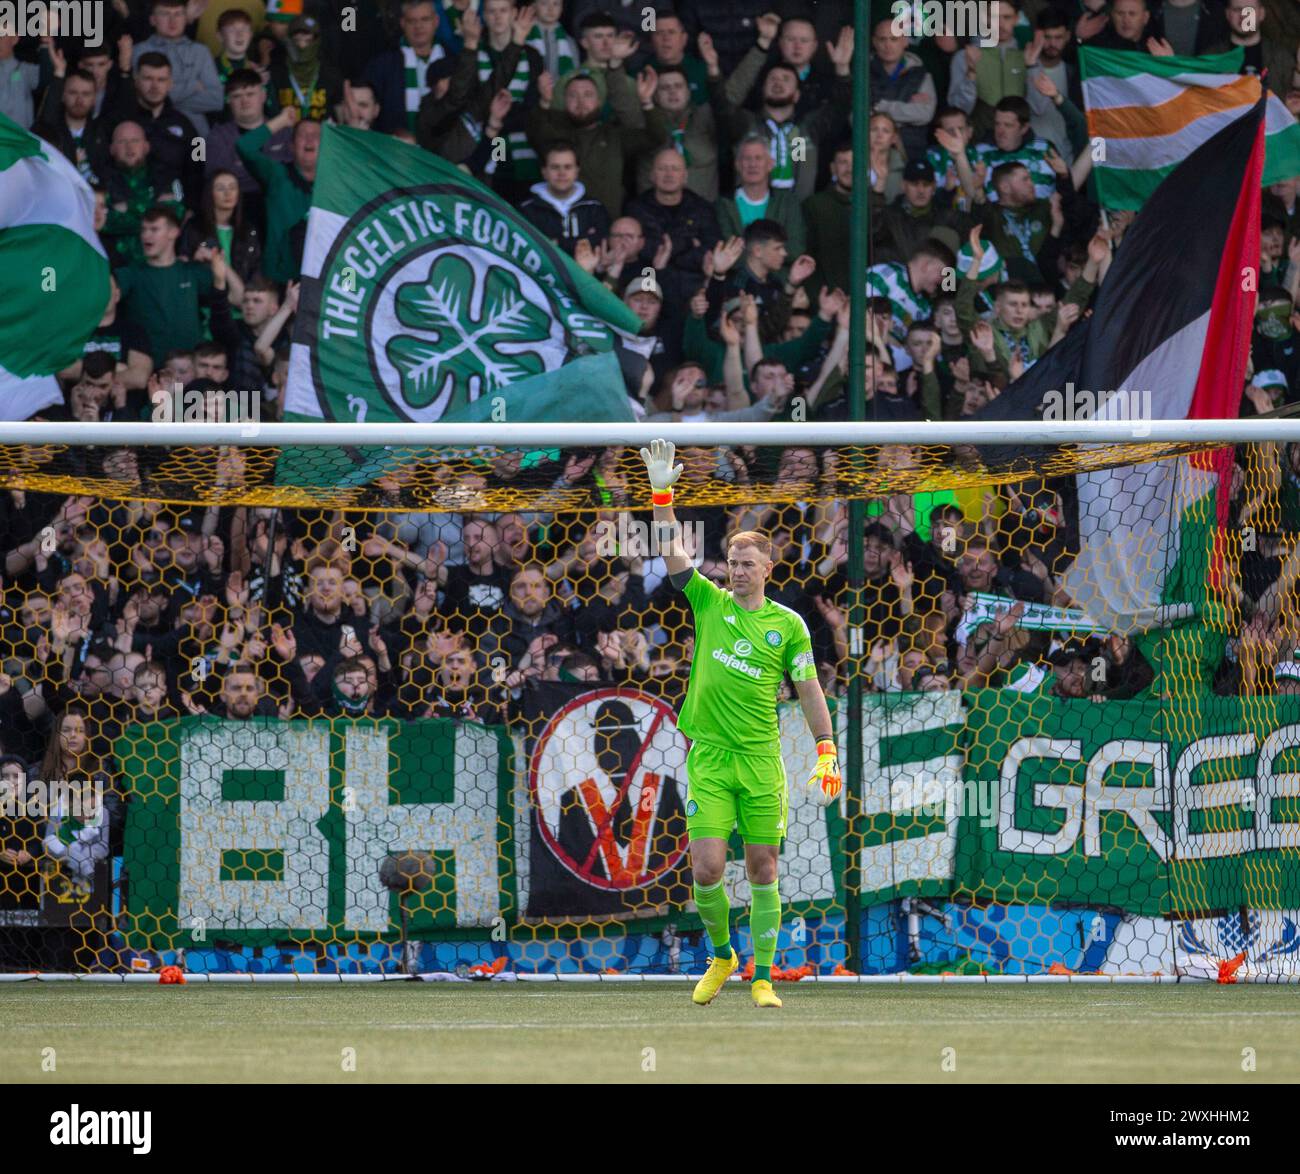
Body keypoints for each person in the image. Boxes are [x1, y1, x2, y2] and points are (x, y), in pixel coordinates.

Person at [639, 438, 840, 1009]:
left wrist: (825, 750)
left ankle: (763, 977)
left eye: (748, 563)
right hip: (709, 756)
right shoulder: (708, 602)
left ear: (767, 570)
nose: (738, 571)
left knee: (762, 864)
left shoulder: (790, 627)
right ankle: (723, 954)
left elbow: (808, 691)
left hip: (759, 761)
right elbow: (673, 549)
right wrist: (661, 496)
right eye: (733, 563)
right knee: (705, 869)